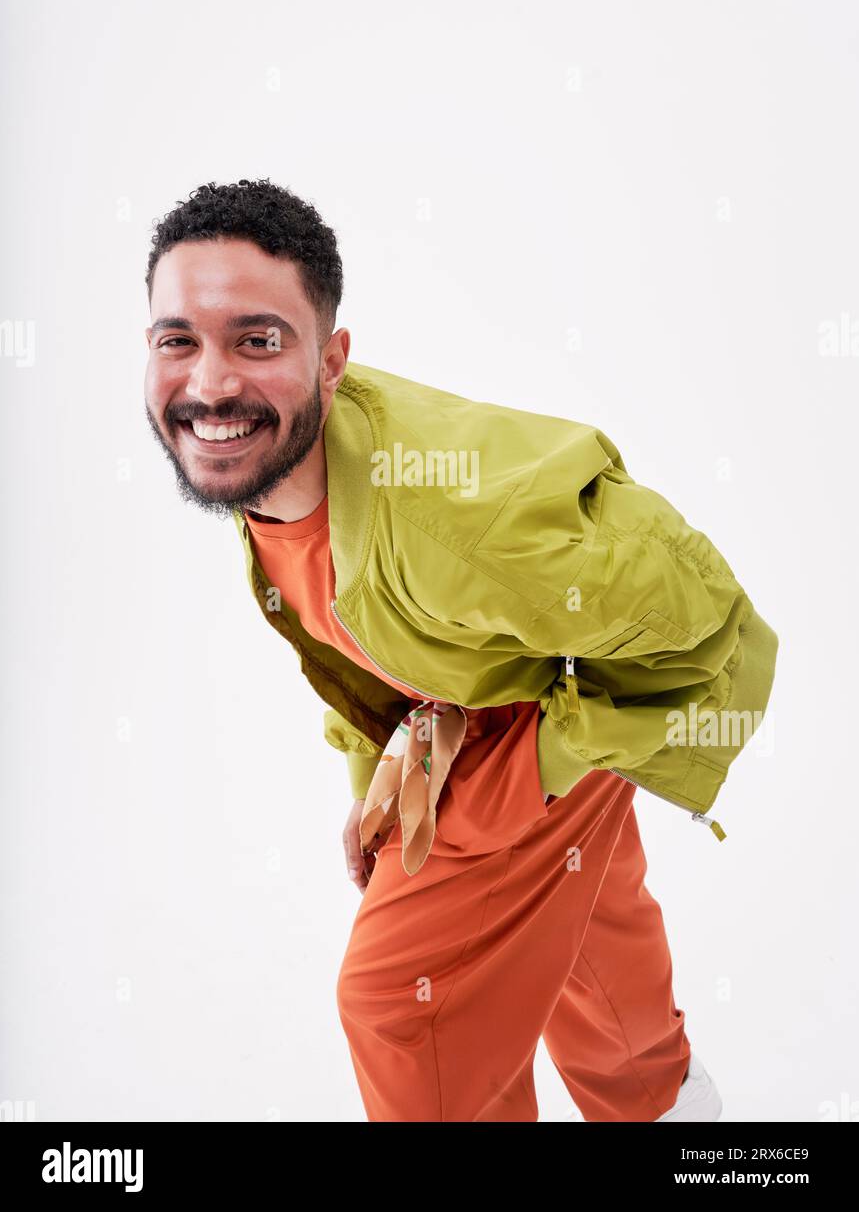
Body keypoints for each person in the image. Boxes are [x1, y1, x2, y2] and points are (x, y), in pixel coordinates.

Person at [143, 178, 778, 1122]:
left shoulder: (454, 530)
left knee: (399, 1003)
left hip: (552, 705)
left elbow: (705, 617)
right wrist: (371, 772)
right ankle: (669, 1117)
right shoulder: (272, 469)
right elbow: (353, 638)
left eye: (257, 339)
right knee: (576, 907)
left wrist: (549, 762)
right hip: (485, 694)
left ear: (331, 363)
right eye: (177, 340)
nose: (209, 384)